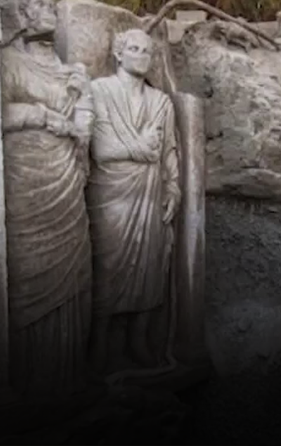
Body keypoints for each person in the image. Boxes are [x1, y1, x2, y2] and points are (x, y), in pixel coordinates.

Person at [0, 0, 94, 397]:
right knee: (29, 272)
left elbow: (85, 127)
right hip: (27, 179)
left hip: (68, 179)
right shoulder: (5, 62)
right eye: (40, 4)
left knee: (74, 270)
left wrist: (81, 99)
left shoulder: (68, 69)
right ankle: (29, 384)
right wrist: (43, 115)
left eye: (53, 4)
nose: (50, 10)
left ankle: (67, 378)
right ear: (20, 15)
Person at [86, 28, 181, 371]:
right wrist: (140, 148)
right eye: (134, 49)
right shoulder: (99, 91)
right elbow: (101, 150)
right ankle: (99, 343)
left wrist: (173, 188)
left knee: (150, 264)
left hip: (150, 191)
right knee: (107, 265)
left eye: (147, 51)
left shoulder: (161, 102)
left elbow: (168, 150)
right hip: (111, 194)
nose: (142, 55)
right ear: (119, 53)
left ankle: (138, 340)